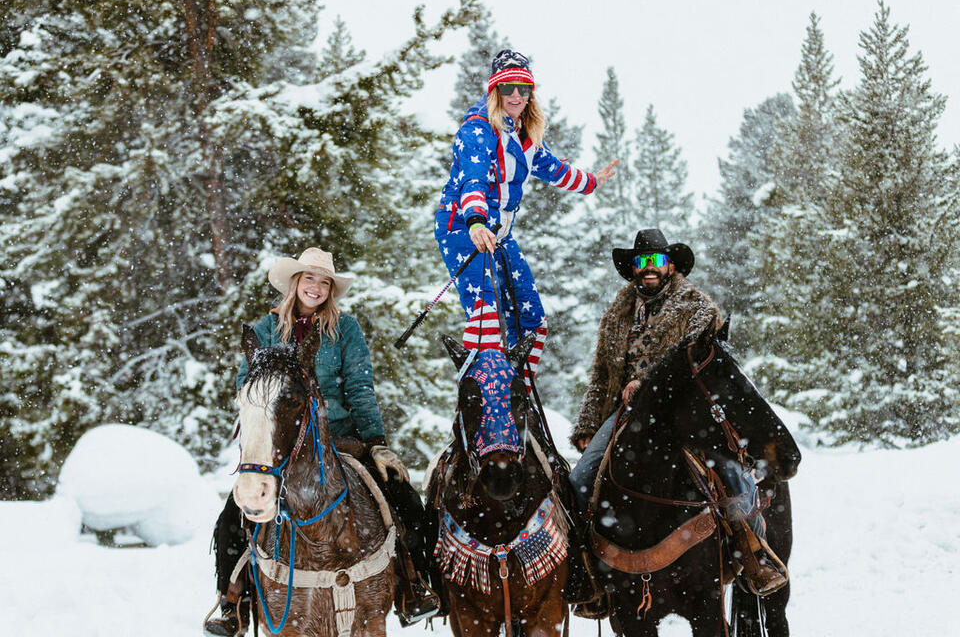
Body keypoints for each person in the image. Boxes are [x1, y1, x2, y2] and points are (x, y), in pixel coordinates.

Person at [204, 248, 439, 636]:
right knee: (234, 514)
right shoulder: (264, 331)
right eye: (309, 279)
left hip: (341, 438)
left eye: (324, 282)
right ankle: (233, 601)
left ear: (330, 289)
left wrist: (377, 442)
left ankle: (413, 585)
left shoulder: (344, 330)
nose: (316, 287)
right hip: (281, 441)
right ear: (295, 283)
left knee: (401, 497)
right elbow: (247, 389)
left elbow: (361, 387)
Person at [567, 228, 788, 600]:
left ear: (670, 266)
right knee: (579, 483)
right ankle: (588, 573)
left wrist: (647, 383)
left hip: (684, 412)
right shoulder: (616, 316)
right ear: (633, 269)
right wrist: (589, 424)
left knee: (732, 475)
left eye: (656, 260)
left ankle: (755, 554)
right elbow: (603, 376)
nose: (648, 268)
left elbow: (702, 364)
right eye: (641, 262)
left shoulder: (698, 309)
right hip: (624, 414)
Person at [435, 49, 617, 386]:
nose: (516, 95)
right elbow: (471, 178)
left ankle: (518, 390)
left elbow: (551, 167)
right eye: (507, 88)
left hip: (499, 233)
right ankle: (485, 399)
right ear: (495, 91)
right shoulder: (479, 129)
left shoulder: (524, 133)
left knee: (532, 321)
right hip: (463, 226)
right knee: (486, 318)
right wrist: (475, 220)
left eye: (523, 87)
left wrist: (591, 182)